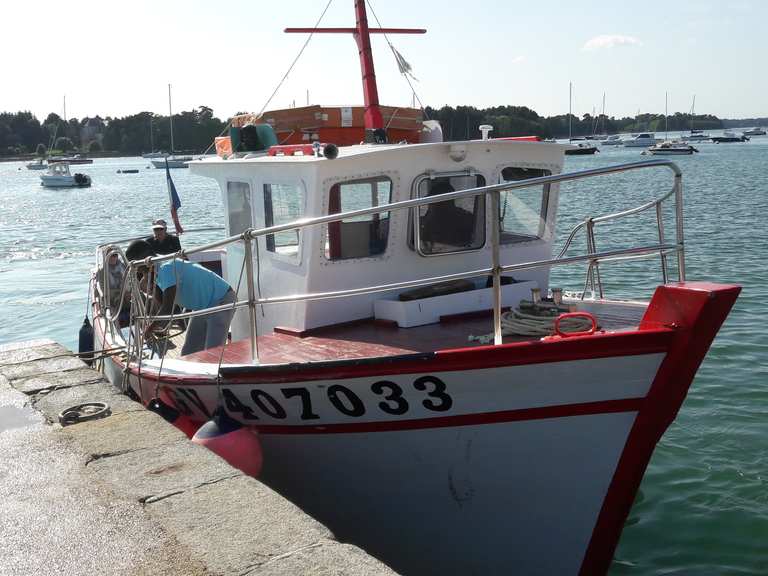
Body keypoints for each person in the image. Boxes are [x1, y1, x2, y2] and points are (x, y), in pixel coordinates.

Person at [125, 239, 235, 356]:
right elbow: (162, 303)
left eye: (135, 264)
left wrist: (149, 330)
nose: (136, 269)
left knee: (214, 353)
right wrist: (149, 275)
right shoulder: (158, 267)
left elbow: (168, 308)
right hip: (202, 306)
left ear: (143, 257)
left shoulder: (165, 267)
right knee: (188, 352)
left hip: (221, 299)